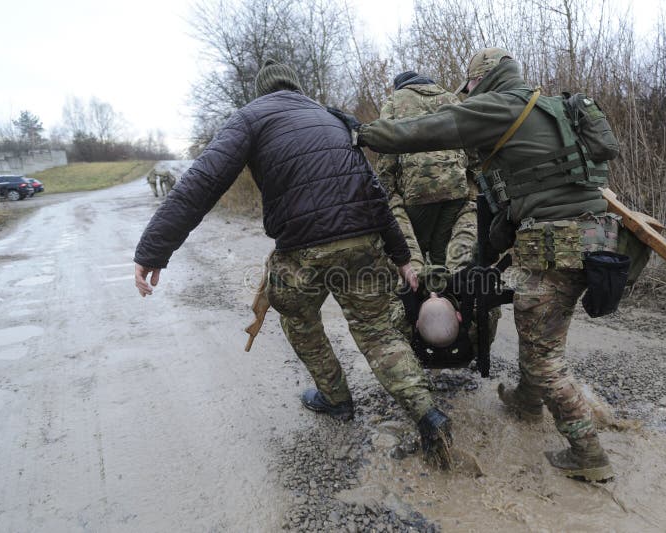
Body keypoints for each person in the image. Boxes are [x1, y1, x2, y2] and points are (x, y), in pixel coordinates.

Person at [133, 59, 452, 463]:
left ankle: (336, 398)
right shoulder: (332, 118)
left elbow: (202, 182)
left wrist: (153, 251)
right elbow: (373, 190)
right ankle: (429, 417)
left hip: (303, 249)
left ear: (261, 90)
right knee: (377, 332)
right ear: (297, 87)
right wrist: (402, 256)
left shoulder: (250, 117)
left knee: (297, 315)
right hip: (364, 241)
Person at [357, 48, 617, 482]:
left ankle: (588, 452)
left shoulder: (500, 105)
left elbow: (431, 130)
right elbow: (527, 194)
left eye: (470, 85)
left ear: (486, 79)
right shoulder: (552, 106)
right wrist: (489, 247)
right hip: (597, 239)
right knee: (544, 332)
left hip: (557, 242)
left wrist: (366, 133)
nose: (468, 93)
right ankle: (526, 402)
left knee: (544, 358)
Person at [375, 71, 471, 268]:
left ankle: (422, 294)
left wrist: (387, 191)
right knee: (441, 252)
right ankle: (446, 293)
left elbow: (387, 147)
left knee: (416, 250)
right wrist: (474, 177)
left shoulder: (395, 100)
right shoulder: (451, 98)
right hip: (456, 187)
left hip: (417, 189)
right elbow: (470, 140)